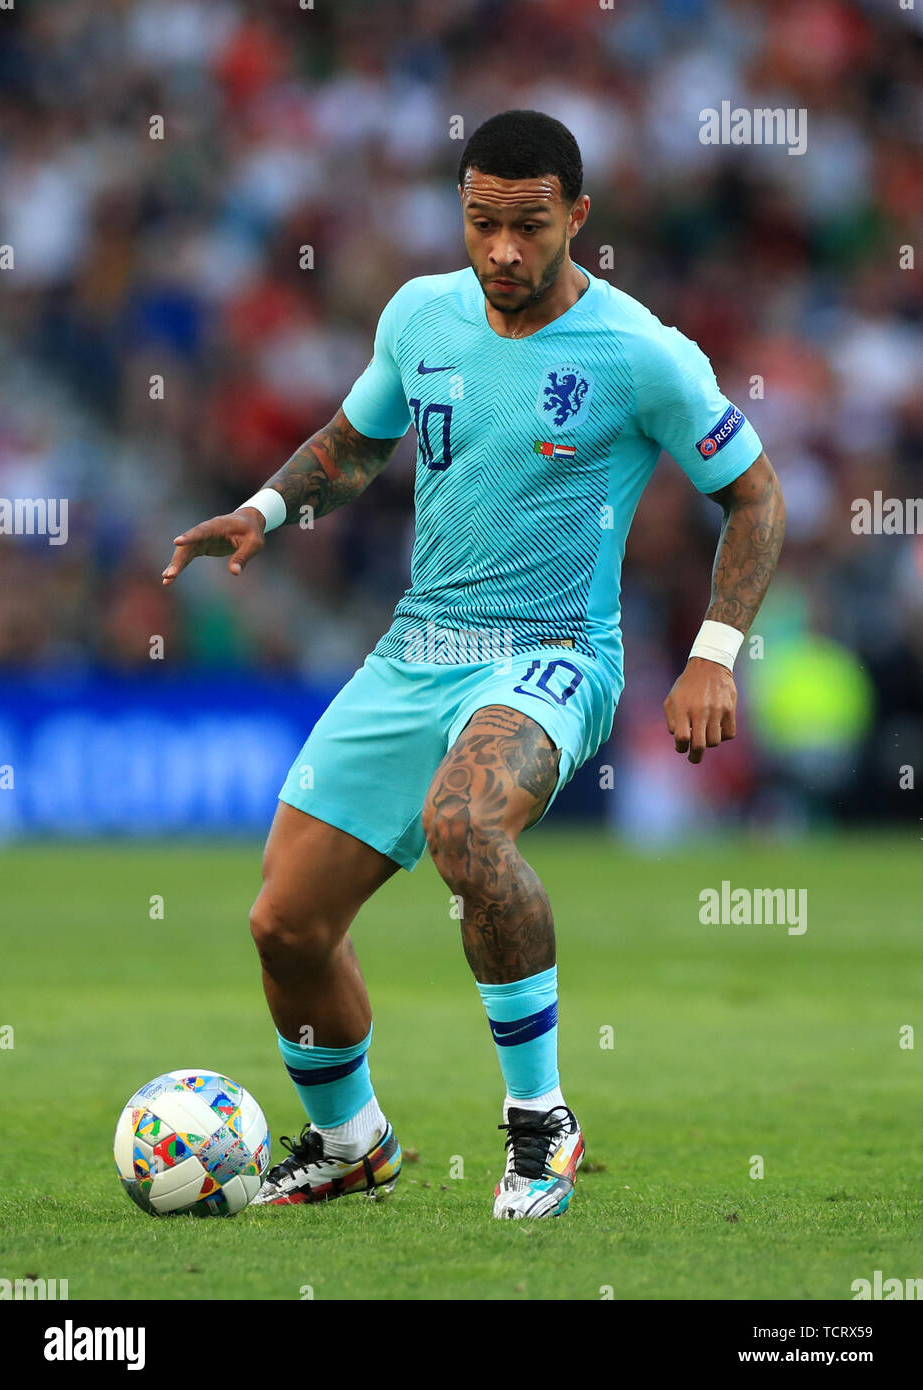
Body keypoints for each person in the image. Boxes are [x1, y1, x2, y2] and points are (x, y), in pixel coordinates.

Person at [162, 110, 785, 1219]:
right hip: (417, 648)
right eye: (480, 222)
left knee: (464, 824)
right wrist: (264, 508)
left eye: (527, 226)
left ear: (575, 219)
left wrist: (713, 655)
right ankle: (351, 1143)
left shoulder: (638, 352)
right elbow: (357, 443)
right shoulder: (419, 314)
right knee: (285, 927)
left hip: (551, 653)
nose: (500, 250)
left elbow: (754, 496)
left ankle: (539, 1122)